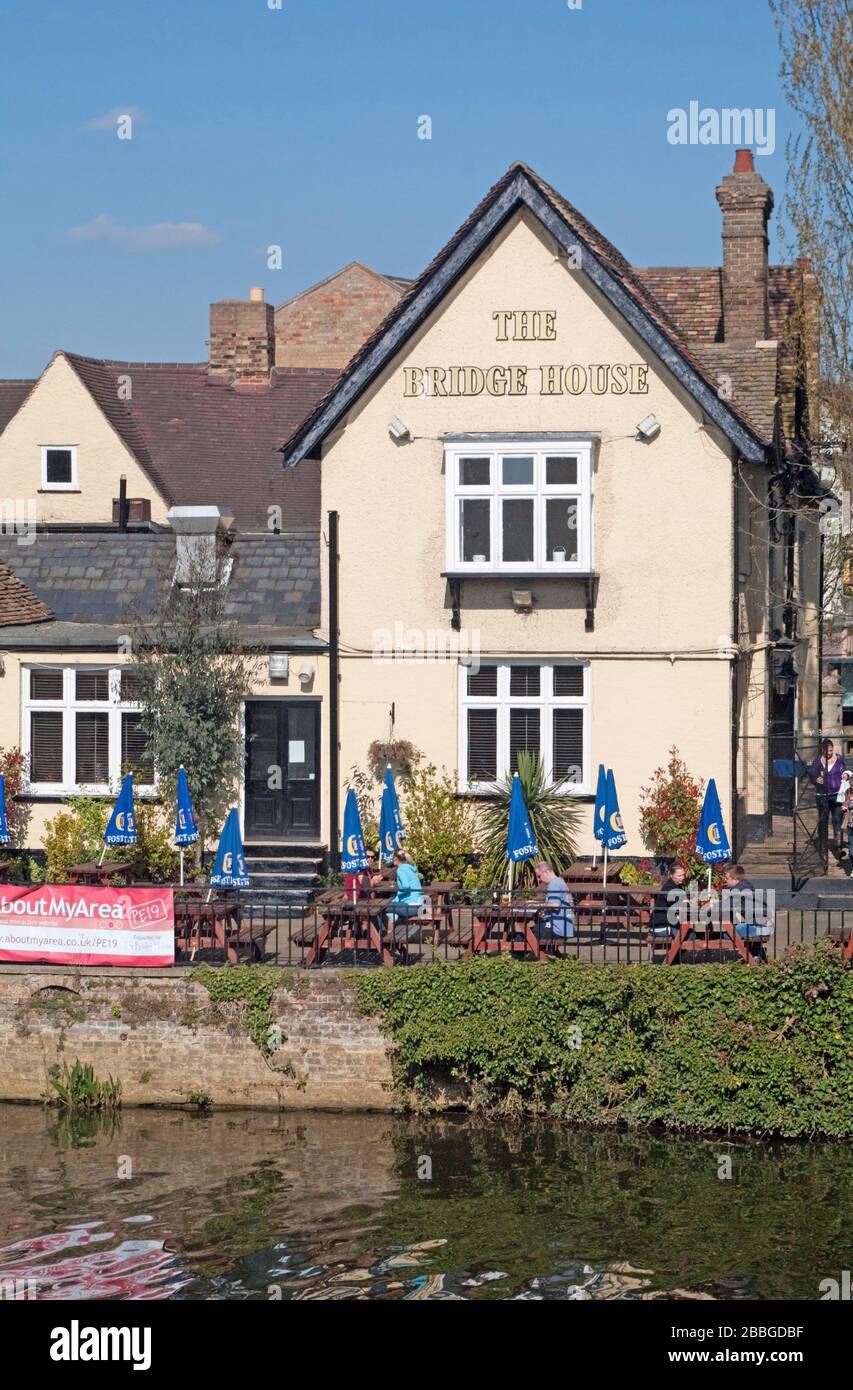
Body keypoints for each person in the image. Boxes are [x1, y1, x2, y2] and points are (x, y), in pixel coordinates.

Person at [721, 864, 773, 960]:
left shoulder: (739, 889)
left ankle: (753, 958)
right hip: (763, 925)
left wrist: (711, 906)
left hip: (759, 927)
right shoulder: (744, 886)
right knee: (736, 929)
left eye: (727, 878)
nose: (725, 880)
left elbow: (728, 904)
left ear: (735, 879)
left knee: (727, 935)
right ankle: (757, 956)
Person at [809, 738, 846, 858]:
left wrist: (846, 775)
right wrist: (816, 780)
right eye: (827, 751)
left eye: (830, 750)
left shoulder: (839, 759)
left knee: (837, 822)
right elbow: (812, 775)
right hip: (822, 797)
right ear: (822, 750)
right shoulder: (818, 761)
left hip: (836, 796)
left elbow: (846, 772)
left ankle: (838, 848)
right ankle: (823, 849)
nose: (829, 753)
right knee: (823, 823)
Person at [384, 849, 424, 948]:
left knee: (383, 907)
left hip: (410, 906)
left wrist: (398, 887)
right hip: (418, 904)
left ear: (396, 859)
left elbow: (405, 887)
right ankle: (391, 935)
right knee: (391, 907)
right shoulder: (410, 868)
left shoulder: (401, 870)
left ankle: (388, 937)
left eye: (392, 858)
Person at [533, 860, 575, 942]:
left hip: (557, 929)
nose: (539, 879)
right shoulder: (559, 881)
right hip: (565, 927)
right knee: (532, 931)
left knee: (526, 936)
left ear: (546, 872)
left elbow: (555, 905)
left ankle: (513, 953)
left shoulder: (553, 884)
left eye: (539, 876)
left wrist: (539, 905)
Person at [649, 863, 687, 938]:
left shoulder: (677, 885)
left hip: (668, 923)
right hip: (660, 927)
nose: (682, 878)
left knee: (688, 932)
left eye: (683, 875)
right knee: (687, 936)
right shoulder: (668, 888)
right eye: (679, 876)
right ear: (671, 876)